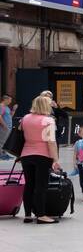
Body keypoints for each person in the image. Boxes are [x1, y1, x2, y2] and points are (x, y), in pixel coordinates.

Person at [18, 95, 62, 224]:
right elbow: (51, 142)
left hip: (26, 154)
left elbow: (20, 132)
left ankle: (27, 215)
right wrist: (55, 159)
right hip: (42, 156)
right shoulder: (48, 121)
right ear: (46, 106)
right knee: (40, 186)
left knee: (29, 185)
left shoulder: (25, 118)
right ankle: (41, 215)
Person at [0, 94, 13, 160]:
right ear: (5, 99)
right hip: (3, 128)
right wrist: (4, 126)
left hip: (8, 128)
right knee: (2, 142)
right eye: (10, 100)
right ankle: (1, 155)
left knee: (5, 142)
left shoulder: (6, 107)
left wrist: (14, 109)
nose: (10, 101)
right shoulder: (1, 106)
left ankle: (4, 154)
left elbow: (10, 116)